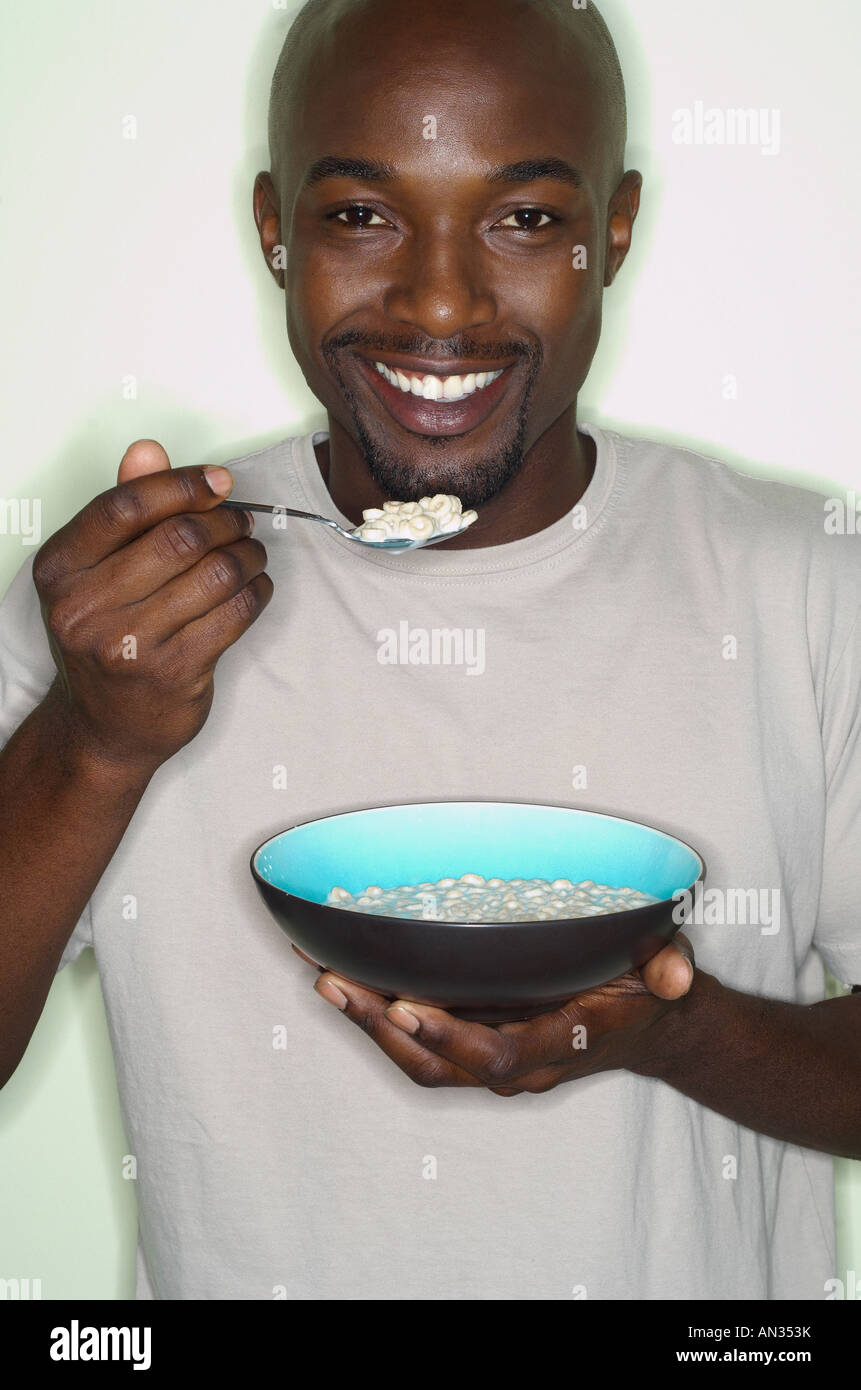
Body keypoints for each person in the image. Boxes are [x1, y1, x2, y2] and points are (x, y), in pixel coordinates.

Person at [1, 0, 859, 1301]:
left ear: (611, 231)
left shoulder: (804, 584)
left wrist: (683, 1036)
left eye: (524, 218)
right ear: (274, 229)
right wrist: (94, 740)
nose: (442, 300)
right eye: (360, 214)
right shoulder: (117, 608)